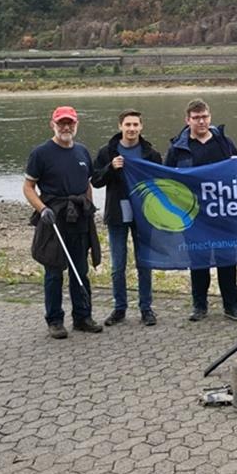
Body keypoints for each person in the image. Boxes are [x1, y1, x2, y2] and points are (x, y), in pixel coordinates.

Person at [165, 99, 237, 322]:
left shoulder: (224, 142)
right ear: (188, 120)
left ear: (209, 117)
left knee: (227, 260)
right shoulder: (178, 148)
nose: (201, 121)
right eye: (196, 118)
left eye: (204, 117)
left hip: (224, 212)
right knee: (199, 260)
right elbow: (167, 179)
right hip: (195, 217)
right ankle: (199, 306)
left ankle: (232, 306)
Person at [23, 106, 102, 339]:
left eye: (70, 123)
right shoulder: (40, 153)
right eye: (61, 123)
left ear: (76, 124)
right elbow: (28, 187)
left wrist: (89, 208)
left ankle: (83, 317)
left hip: (79, 218)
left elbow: (87, 184)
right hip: (54, 219)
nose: (66, 127)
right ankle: (55, 320)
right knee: (54, 272)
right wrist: (42, 209)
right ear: (53, 125)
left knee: (81, 270)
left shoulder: (82, 151)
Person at [91, 109, 163, 327]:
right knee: (118, 264)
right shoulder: (107, 152)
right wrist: (111, 168)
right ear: (120, 126)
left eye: (135, 125)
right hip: (117, 214)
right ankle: (119, 308)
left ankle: (146, 308)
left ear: (141, 127)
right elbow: (95, 181)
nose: (131, 129)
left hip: (143, 215)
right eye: (127, 125)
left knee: (144, 263)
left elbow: (160, 183)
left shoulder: (150, 153)